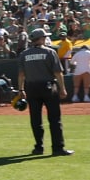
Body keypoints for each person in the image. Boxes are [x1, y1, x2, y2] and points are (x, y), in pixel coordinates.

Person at [18, 27, 71, 156]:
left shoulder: (24, 54)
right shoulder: (50, 52)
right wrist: (62, 88)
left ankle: (38, 147)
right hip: (48, 87)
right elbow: (58, 73)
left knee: (35, 119)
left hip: (31, 88)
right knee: (54, 119)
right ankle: (58, 148)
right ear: (41, 39)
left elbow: (21, 75)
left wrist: (21, 89)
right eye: (44, 37)